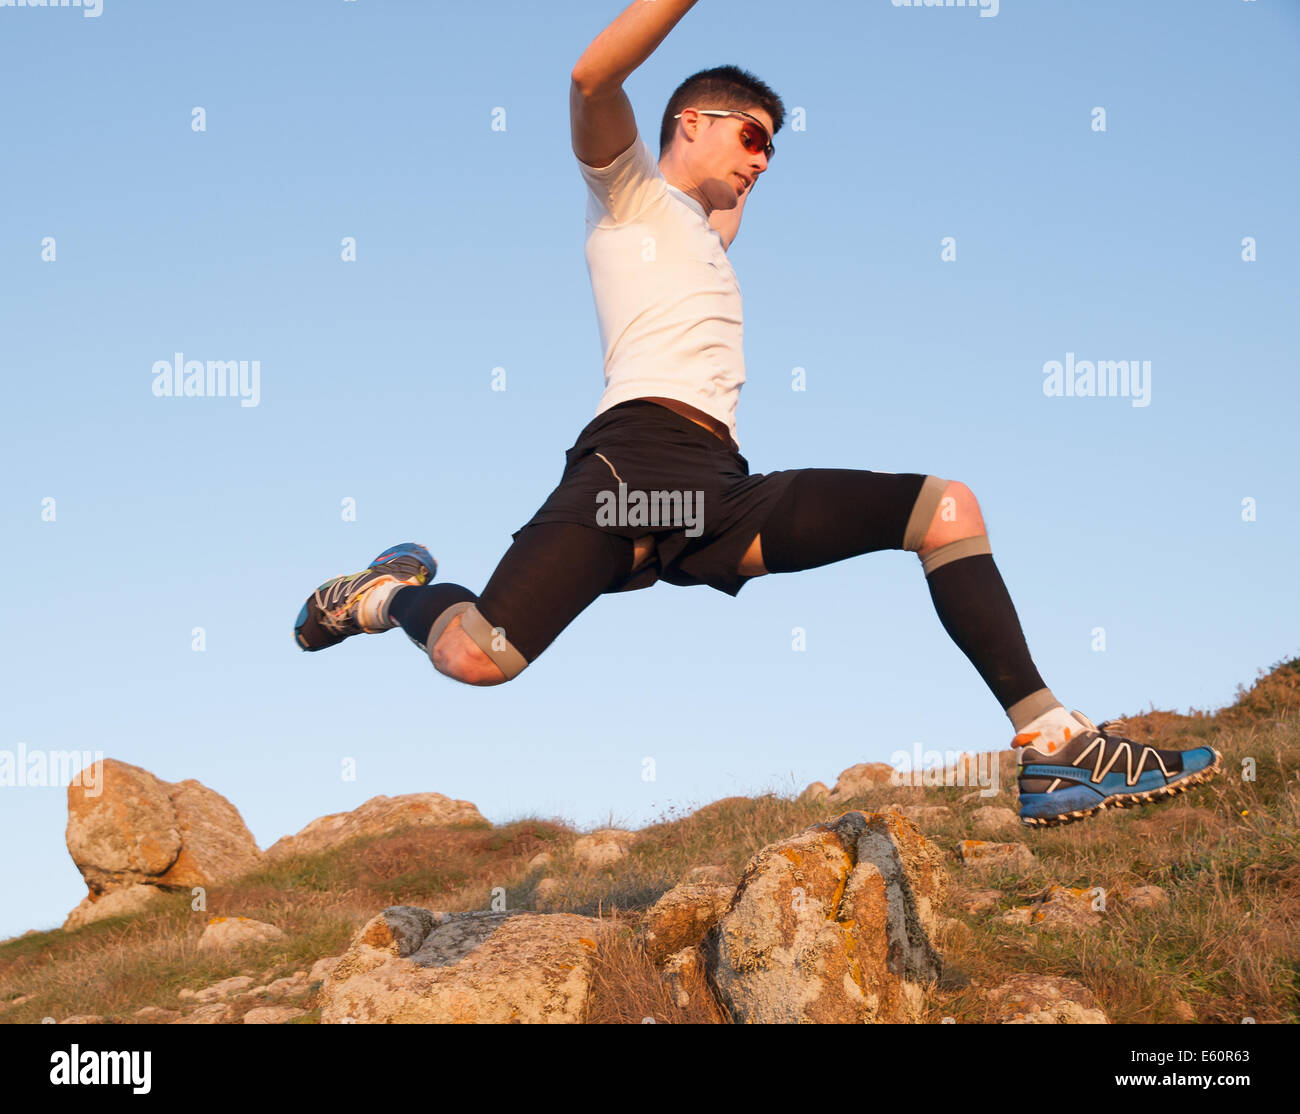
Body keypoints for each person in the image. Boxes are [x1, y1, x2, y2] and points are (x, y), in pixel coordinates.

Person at [293, 0, 1220, 827]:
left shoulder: (706, 231)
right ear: (688, 122)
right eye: (752, 137)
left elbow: (728, 201)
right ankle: (385, 594)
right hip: (630, 472)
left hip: (714, 494)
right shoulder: (626, 199)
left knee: (945, 508)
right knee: (481, 657)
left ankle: (1056, 746)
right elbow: (591, 76)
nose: (764, 158)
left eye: (773, 146)